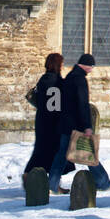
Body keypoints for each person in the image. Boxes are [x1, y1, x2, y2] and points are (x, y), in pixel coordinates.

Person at [48, 53, 110, 193]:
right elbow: (82, 105)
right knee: (88, 154)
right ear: (85, 65)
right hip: (76, 126)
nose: (92, 69)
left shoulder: (70, 77)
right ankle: (103, 182)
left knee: (62, 156)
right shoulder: (80, 80)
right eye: (91, 66)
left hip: (66, 125)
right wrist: (87, 126)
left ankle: (52, 185)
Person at [23, 52, 66, 190]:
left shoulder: (43, 80)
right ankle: (48, 182)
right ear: (57, 65)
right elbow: (56, 105)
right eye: (61, 63)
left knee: (41, 150)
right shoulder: (57, 81)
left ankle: (31, 175)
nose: (63, 66)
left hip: (42, 121)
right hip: (54, 122)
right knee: (55, 152)